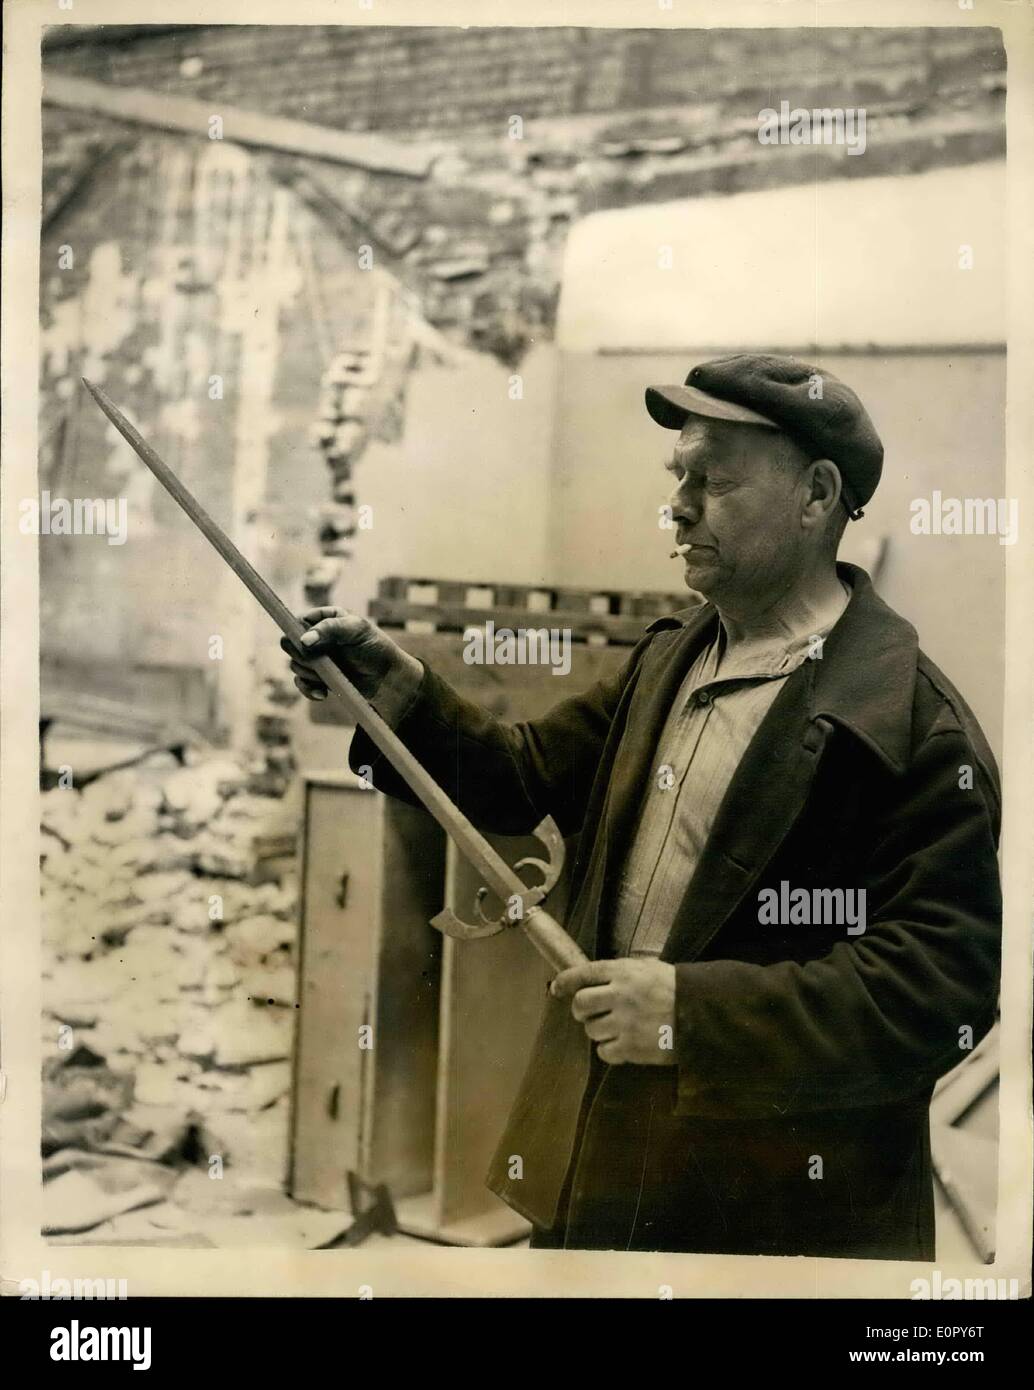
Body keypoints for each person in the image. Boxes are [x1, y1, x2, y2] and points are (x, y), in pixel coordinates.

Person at [283, 354, 1001, 1258]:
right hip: (603, 1157)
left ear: (817, 496)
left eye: (715, 481)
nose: (680, 507)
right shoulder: (670, 660)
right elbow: (522, 775)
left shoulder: (908, 729)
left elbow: (941, 993)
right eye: (679, 479)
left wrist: (688, 1014)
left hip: (775, 1214)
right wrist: (403, 699)